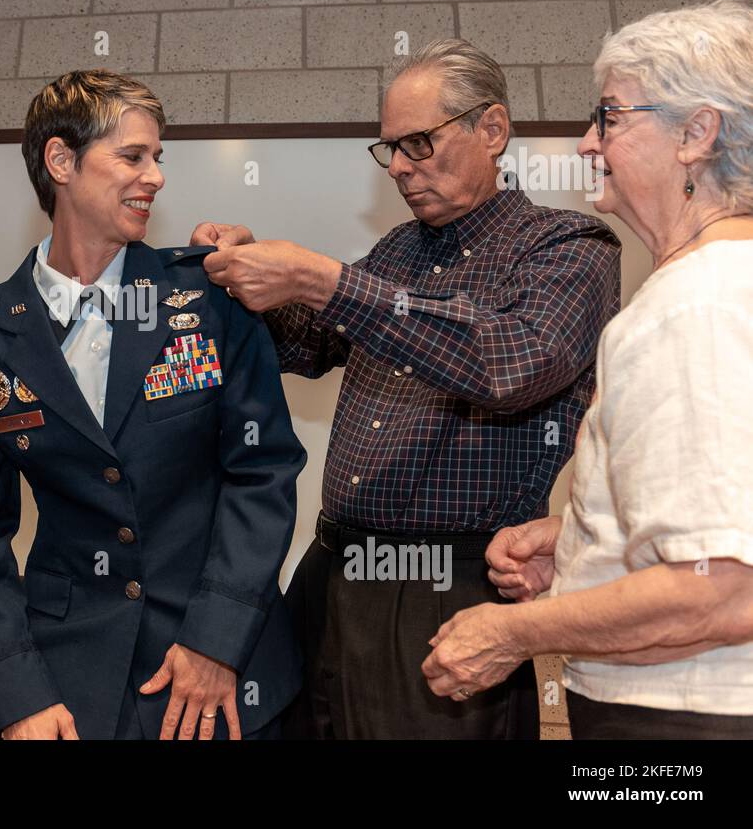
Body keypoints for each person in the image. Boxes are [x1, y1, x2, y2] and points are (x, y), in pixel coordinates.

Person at [192, 39, 621, 738]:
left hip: (444, 590)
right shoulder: (399, 249)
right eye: (388, 148)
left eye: (418, 143)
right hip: (332, 574)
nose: (398, 166)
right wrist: (249, 281)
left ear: (492, 130)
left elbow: (510, 365)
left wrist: (324, 279)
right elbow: (309, 343)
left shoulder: (568, 246)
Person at [0, 70, 307, 740]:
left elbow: (264, 472)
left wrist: (216, 640)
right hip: (72, 682)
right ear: (61, 161)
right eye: (133, 156)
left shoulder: (209, 295)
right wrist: (17, 693)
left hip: (221, 671)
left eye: (158, 158)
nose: (155, 176)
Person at [424, 0, 753, 738]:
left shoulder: (694, 305)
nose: (585, 143)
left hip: (687, 720)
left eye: (610, 116)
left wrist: (511, 632)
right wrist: (579, 543)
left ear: (697, 133)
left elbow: (722, 592)